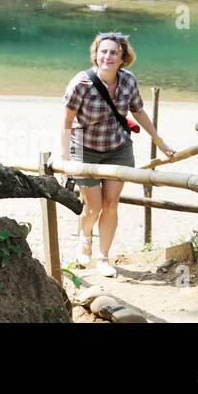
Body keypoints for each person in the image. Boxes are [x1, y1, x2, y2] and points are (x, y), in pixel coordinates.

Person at [60, 32, 175, 277]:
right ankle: (85, 237)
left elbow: (139, 112)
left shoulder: (128, 81)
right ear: (96, 54)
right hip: (84, 149)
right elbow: (67, 123)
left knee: (111, 205)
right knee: (93, 207)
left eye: (114, 52)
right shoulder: (81, 84)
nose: (108, 56)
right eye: (103, 51)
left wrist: (159, 141)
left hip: (118, 148)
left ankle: (103, 258)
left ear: (123, 58)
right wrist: (65, 161)